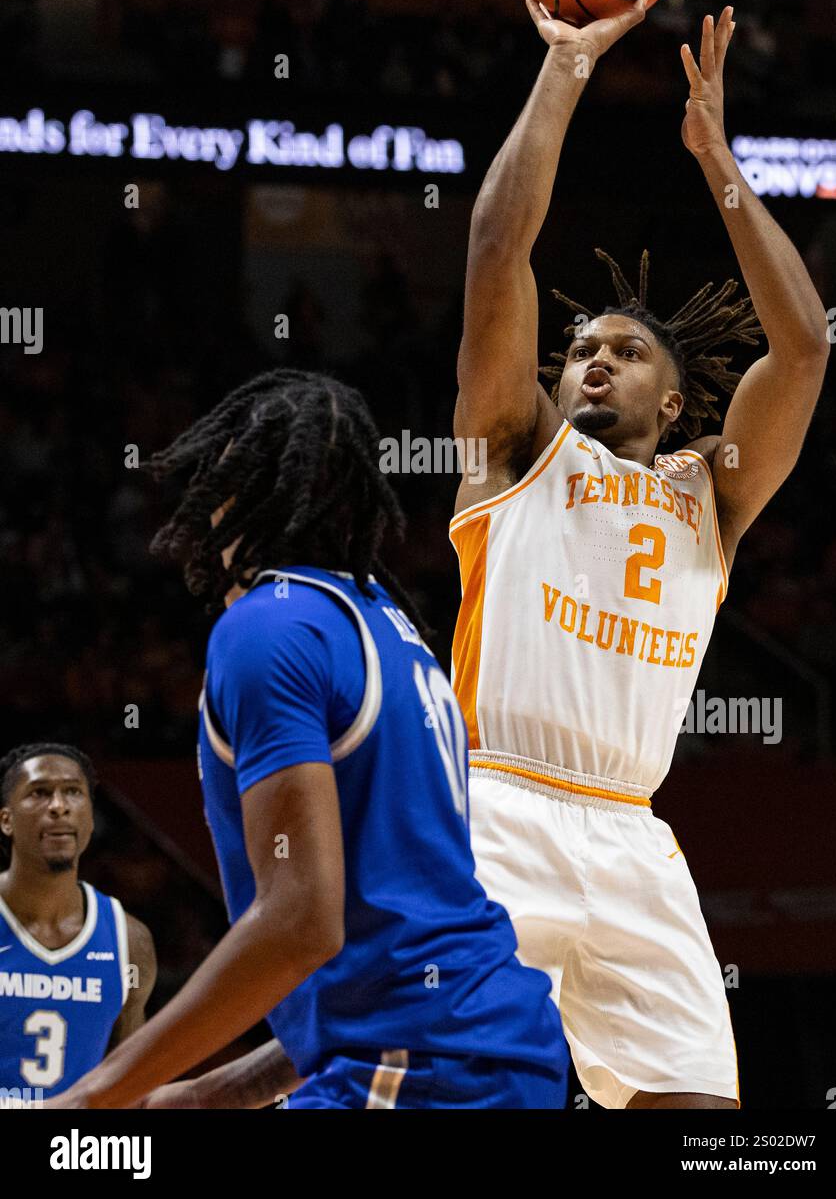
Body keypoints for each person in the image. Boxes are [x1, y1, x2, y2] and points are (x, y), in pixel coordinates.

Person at [449, 0, 829, 1109]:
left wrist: (716, 159)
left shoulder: (709, 492)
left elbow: (802, 349)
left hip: (631, 836)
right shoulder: (511, 446)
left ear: (676, 399)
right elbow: (493, 245)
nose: (591, 361)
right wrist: (565, 67)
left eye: (622, 349)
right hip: (492, 811)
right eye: (576, 349)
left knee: (704, 1119)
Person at [48, 369, 568, 1110]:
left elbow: (300, 924)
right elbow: (366, 965)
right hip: (483, 1052)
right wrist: (203, 1095)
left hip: (423, 1070)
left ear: (232, 500)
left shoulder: (266, 628)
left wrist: (93, 1097)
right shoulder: (389, 626)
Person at [0, 743, 156, 1104]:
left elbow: (129, 1087)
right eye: (39, 793)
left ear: (88, 817)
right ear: (6, 819)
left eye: (73, 792)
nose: (58, 806)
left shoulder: (128, 941)